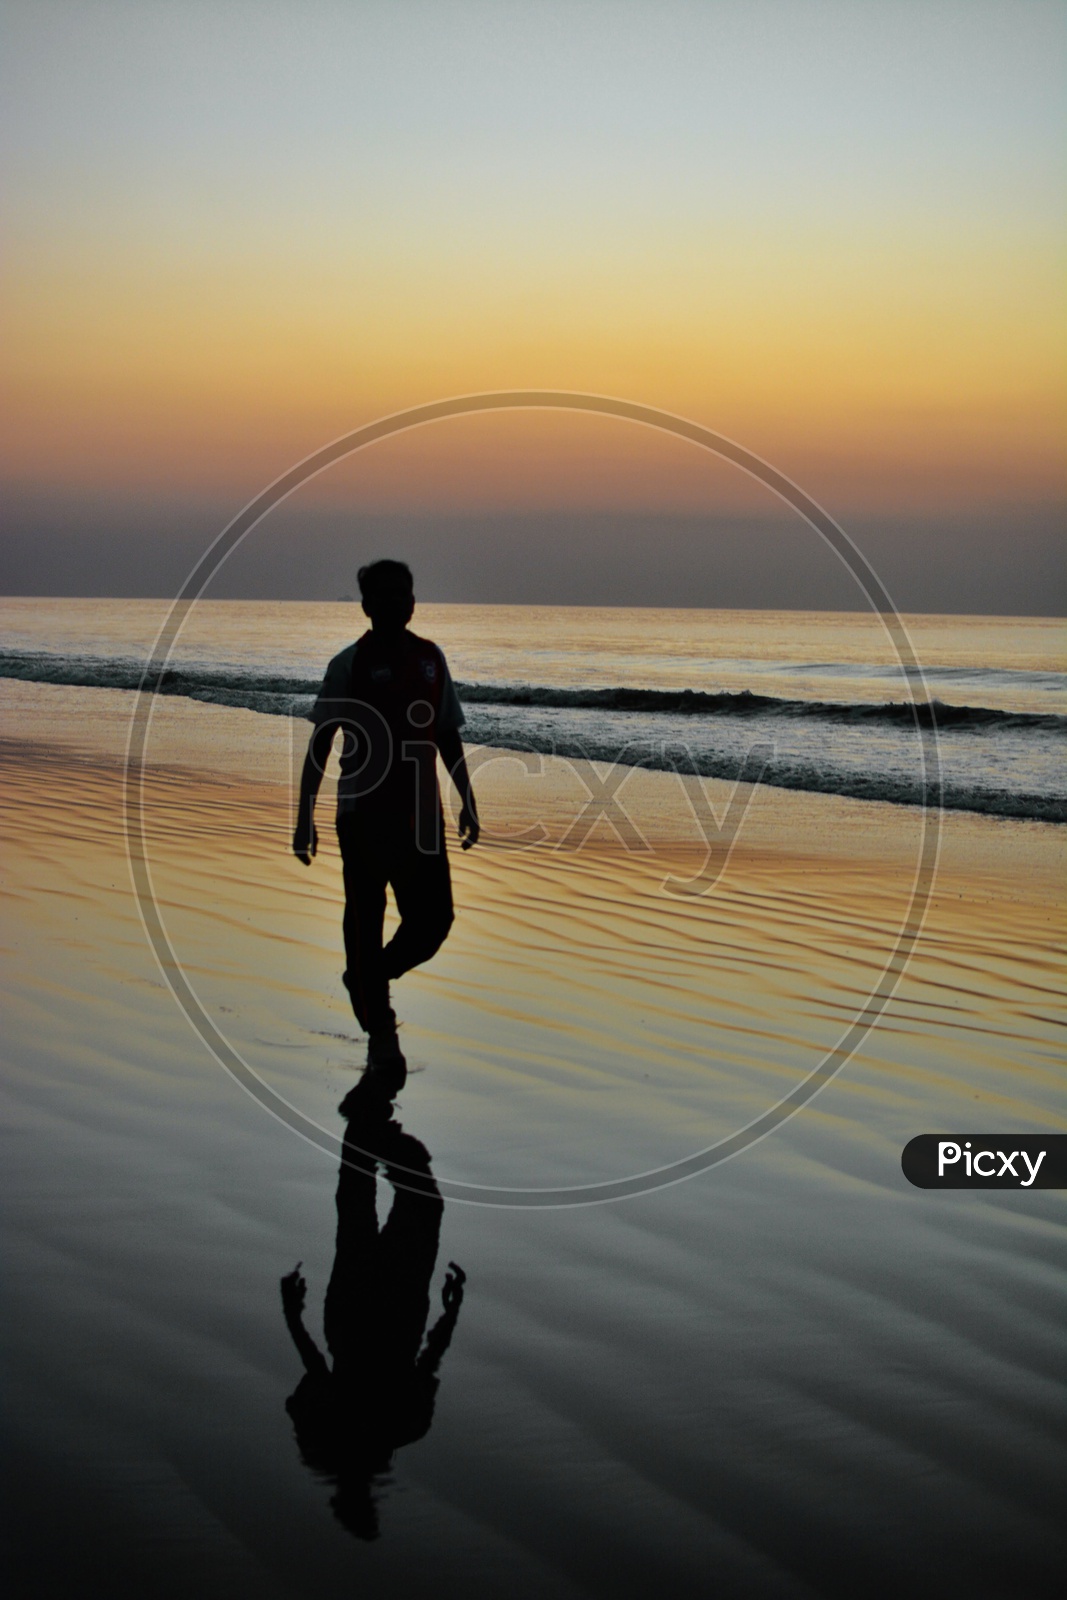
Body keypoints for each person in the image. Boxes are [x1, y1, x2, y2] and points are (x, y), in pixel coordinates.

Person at [292, 560, 479, 1067]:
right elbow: (321, 742)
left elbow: (446, 734)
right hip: (363, 816)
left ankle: (368, 978)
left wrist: (467, 798)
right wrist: (304, 815)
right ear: (368, 606)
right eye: (388, 594)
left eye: (406, 593)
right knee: (365, 917)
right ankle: (382, 1039)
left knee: (434, 921)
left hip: (423, 818)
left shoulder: (430, 660)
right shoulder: (348, 665)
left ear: (414, 602)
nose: (400, 601)